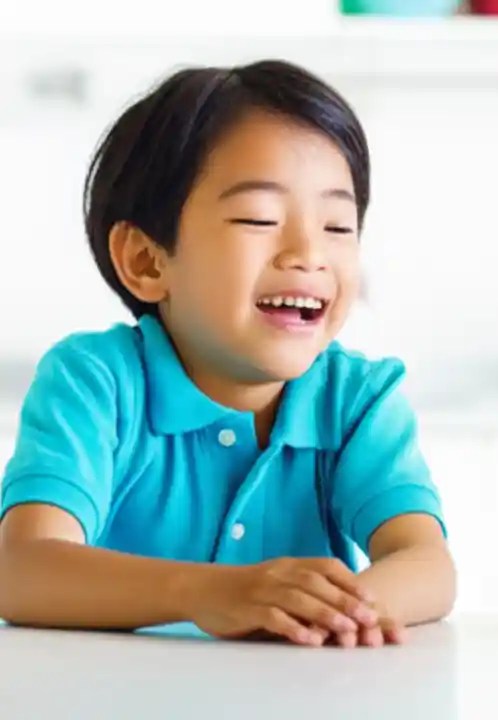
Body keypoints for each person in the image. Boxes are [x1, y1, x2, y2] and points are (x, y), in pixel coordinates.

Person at [0, 60, 454, 647]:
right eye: (259, 218)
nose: (308, 254)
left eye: (338, 227)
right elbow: (20, 569)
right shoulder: (95, 382)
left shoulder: (357, 399)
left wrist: (326, 610)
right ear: (146, 261)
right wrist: (213, 592)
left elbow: (430, 566)